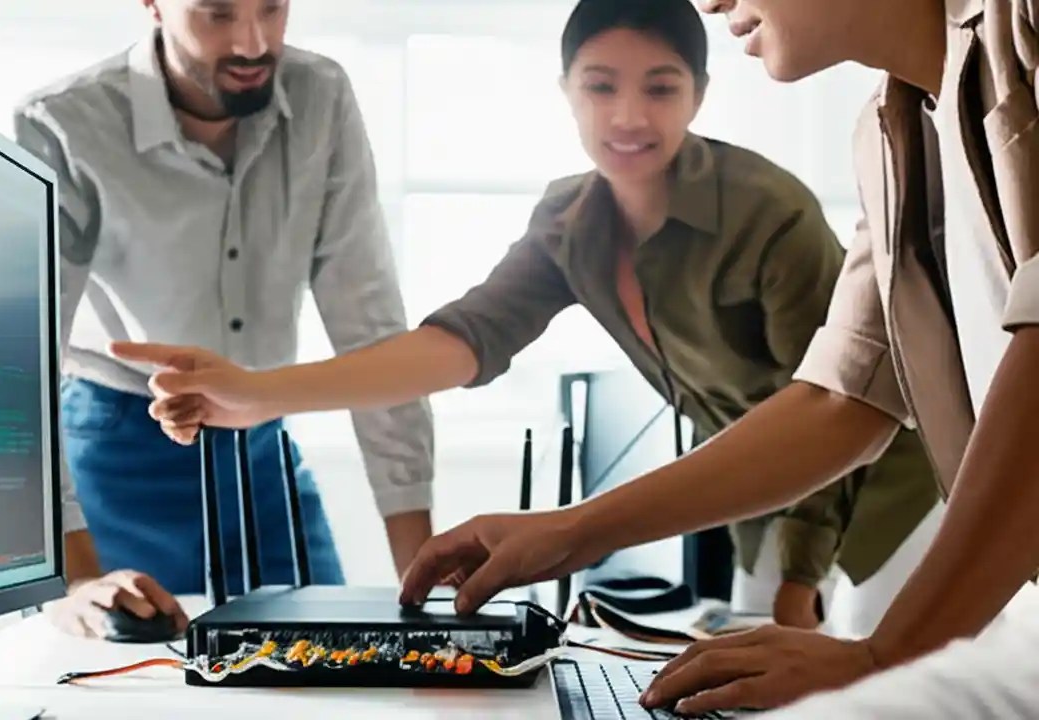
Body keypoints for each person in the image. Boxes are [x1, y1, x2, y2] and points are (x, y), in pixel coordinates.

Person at [110, 0, 942, 635]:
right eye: (601, 86)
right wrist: (262, 393)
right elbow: (459, 342)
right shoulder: (568, 221)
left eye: (660, 88)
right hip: (761, 498)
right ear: (566, 94)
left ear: (699, 93)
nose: (628, 116)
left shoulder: (769, 211)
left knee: (867, 681)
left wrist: (800, 584)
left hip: (891, 500)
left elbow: (836, 401)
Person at [349, 0, 1038, 714]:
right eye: (600, 86)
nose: (707, 3)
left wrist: (882, 654)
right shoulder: (886, 135)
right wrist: (570, 531)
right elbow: (841, 397)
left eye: (658, 86)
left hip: (921, 536)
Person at [12, 0, 435, 638]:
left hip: (259, 442)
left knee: (337, 660)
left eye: (273, 8)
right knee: (131, 669)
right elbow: (23, 358)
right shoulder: (64, 123)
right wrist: (74, 579)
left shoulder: (321, 98)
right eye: (218, 15)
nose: (252, 42)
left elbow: (371, 329)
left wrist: (424, 580)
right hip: (120, 446)